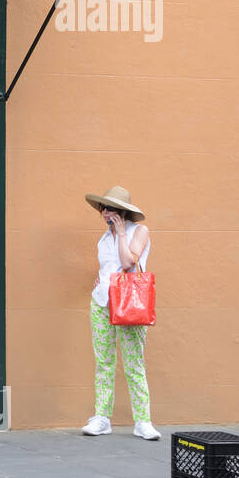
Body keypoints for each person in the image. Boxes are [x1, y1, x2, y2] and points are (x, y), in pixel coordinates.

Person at [82, 185, 159, 440]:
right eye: (103, 208)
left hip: (129, 303)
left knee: (133, 363)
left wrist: (123, 233)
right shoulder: (103, 239)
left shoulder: (140, 231)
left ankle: (143, 421)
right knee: (103, 362)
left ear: (123, 212)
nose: (106, 213)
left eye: (111, 208)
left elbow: (128, 262)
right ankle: (102, 418)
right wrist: (99, 279)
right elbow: (108, 268)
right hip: (102, 303)